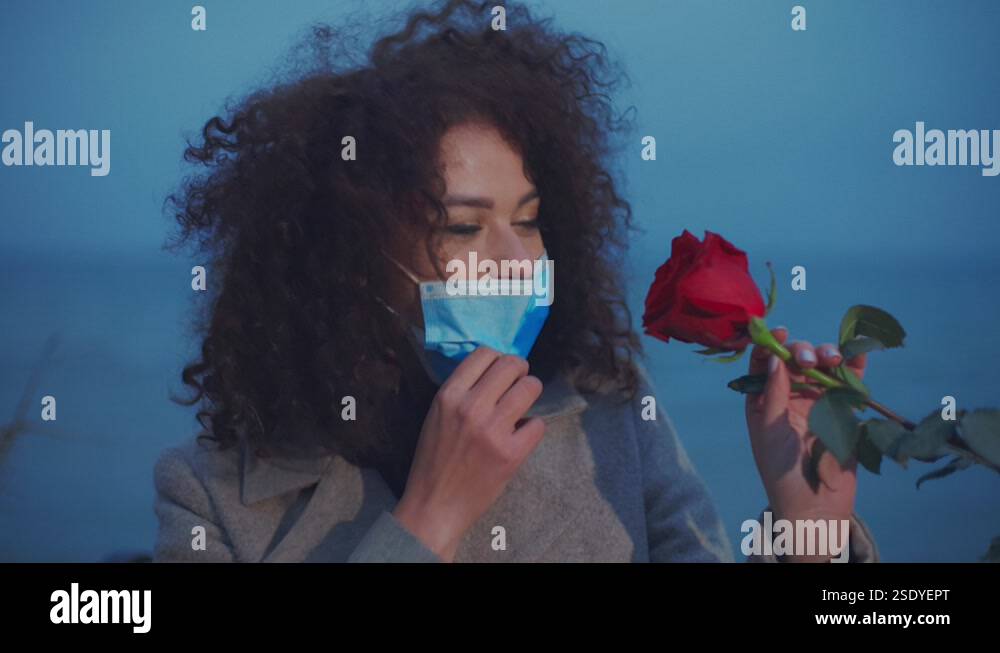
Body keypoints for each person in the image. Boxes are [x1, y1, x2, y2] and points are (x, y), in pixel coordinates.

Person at [153, 0, 877, 563]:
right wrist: (428, 519)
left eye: (527, 221)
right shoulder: (211, 494)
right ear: (355, 256)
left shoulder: (609, 412)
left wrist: (809, 526)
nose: (512, 257)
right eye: (463, 227)